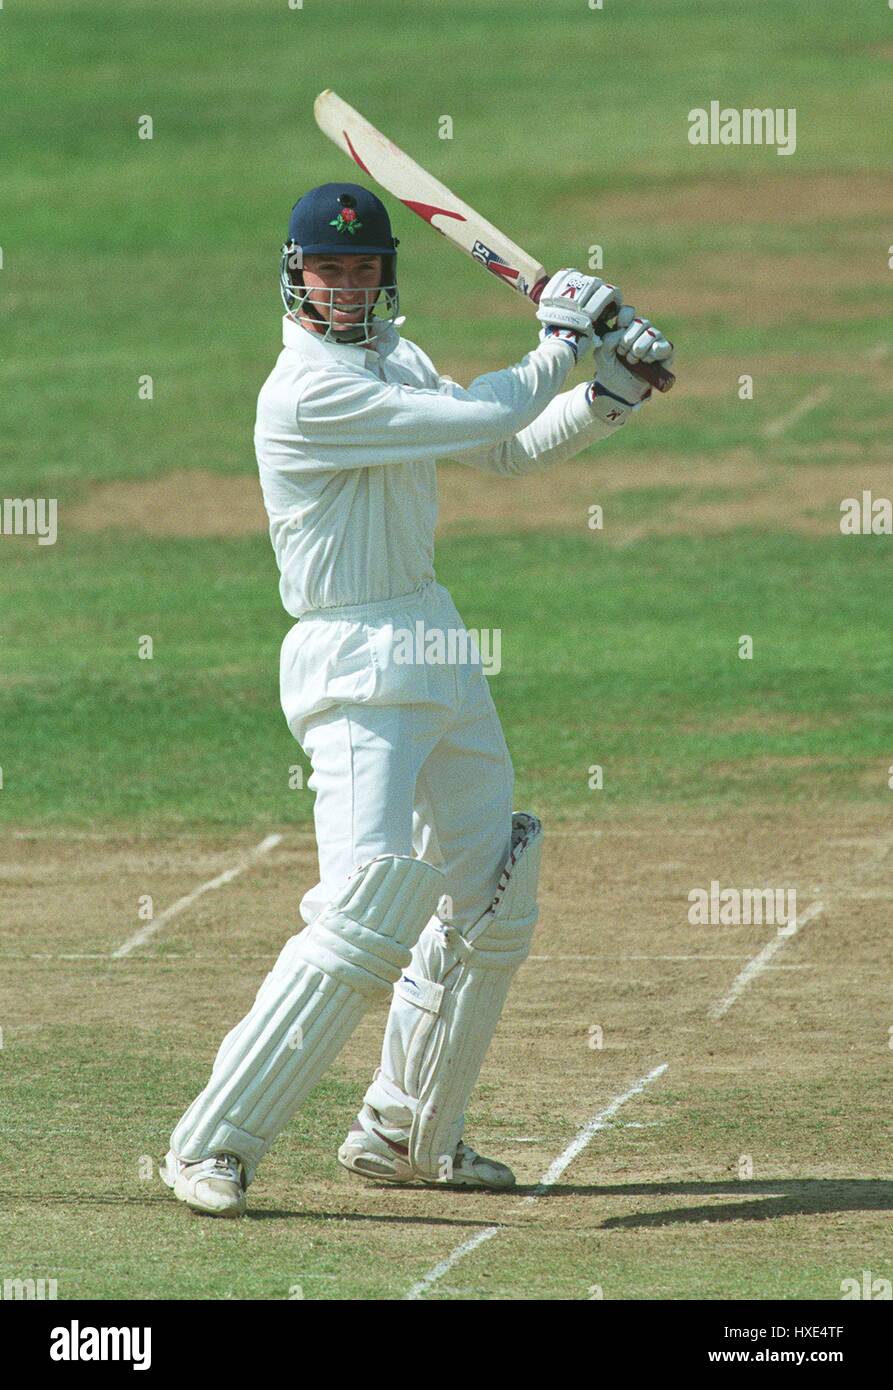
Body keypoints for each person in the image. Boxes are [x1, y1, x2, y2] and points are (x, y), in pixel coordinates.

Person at [160, 182, 674, 1216]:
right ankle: (210, 1143)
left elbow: (497, 447)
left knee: (492, 889)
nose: (345, 285)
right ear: (294, 275)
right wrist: (560, 336)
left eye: (361, 269)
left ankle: (405, 1130)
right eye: (327, 269)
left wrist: (604, 389)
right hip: (352, 662)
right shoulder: (303, 393)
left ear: (382, 275)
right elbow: (490, 405)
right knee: (364, 909)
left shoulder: (391, 360)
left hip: (431, 636)